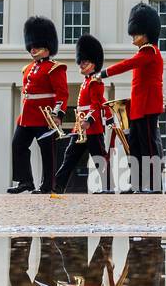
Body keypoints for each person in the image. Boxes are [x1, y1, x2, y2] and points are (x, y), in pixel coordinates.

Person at [103, 3, 166, 194]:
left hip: (148, 106)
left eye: (136, 34)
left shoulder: (150, 52)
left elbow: (127, 65)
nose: (133, 39)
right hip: (139, 107)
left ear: (146, 33)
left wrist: (105, 73)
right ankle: (137, 183)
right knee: (136, 147)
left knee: (149, 146)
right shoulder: (144, 52)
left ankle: (155, 184)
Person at [10, 16, 67, 194]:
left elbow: (62, 94)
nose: (33, 48)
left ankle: (48, 186)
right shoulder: (27, 68)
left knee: (47, 152)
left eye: (37, 45)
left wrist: (57, 115)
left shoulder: (55, 68)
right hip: (27, 116)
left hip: (45, 117)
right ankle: (25, 181)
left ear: (47, 47)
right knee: (18, 145)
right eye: (31, 45)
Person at [54, 34, 110, 194]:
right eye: (81, 61)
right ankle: (58, 185)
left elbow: (96, 103)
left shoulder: (95, 82)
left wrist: (89, 120)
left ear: (93, 64)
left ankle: (108, 187)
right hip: (80, 127)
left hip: (92, 128)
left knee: (99, 159)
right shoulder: (86, 81)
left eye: (85, 61)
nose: (82, 64)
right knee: (69, 156)